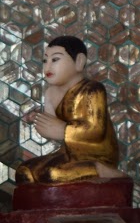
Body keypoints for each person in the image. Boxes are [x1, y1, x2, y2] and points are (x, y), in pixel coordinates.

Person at [17, 34, 125, 183]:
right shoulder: (51, 93)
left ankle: (102, 170)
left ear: (79, 61)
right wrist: (38, 119)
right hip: (69, 153)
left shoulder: (92, 89)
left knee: (52, 175)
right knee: (24, 172)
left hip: (97, 154)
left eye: (55, 59)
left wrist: (63, 130)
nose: (47, 66)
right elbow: (52, 130)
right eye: (45, 60)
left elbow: (95, 131)